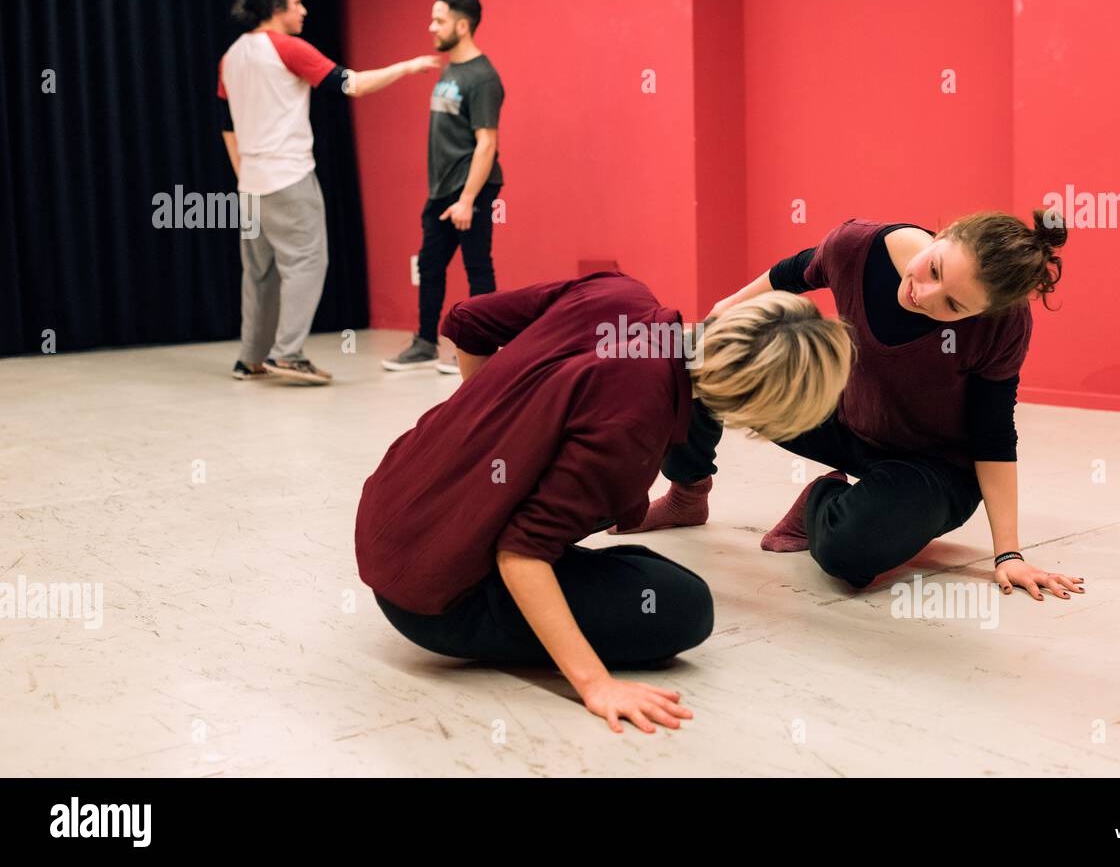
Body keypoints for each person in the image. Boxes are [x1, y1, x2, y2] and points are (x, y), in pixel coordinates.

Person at [356, 272, 853, 733]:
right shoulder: (635, 423)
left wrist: (491, 430)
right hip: (433, 599)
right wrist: (595, 684)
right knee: (683, 607)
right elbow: (522, 554)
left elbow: (467, 320)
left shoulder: (617, 294)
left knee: (647, 574)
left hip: (393, 510)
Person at [618, 212, 1086, 603]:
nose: (923, 294)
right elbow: (793, 271)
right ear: (945, 233)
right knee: (692, 353)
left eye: (953, 304)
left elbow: (994, 433)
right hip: (845, 420)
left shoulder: (1003, 326)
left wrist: (1009, 554)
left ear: (980, 312)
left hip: (933, 468)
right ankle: (687, 495)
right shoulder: (858, 247)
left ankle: (822, 502)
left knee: (850, 556)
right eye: (935, 270)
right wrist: (725, 312)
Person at [219, 0, 438, 384]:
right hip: (289, 177)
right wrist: (407, 68)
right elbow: (351, 84)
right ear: (276, 6)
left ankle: (251, 358)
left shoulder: (231, 55)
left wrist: (245, 175)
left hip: (251, 185)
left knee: (260, 273)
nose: (304, 10)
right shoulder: (286, 48)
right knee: (307, 261)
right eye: (297, 3)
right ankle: (288, 353)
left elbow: (226, 125)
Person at [383, 0, 505, 373]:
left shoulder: (483, 77)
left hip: (472, 188)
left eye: (439, 19)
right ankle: (424, 342)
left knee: (477, 267)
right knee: (432, 265)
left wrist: (468, 199)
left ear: (463, 25)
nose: (431, 26)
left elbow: (486, 144)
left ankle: (480, 350)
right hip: (443, 191)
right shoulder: (451, 68)